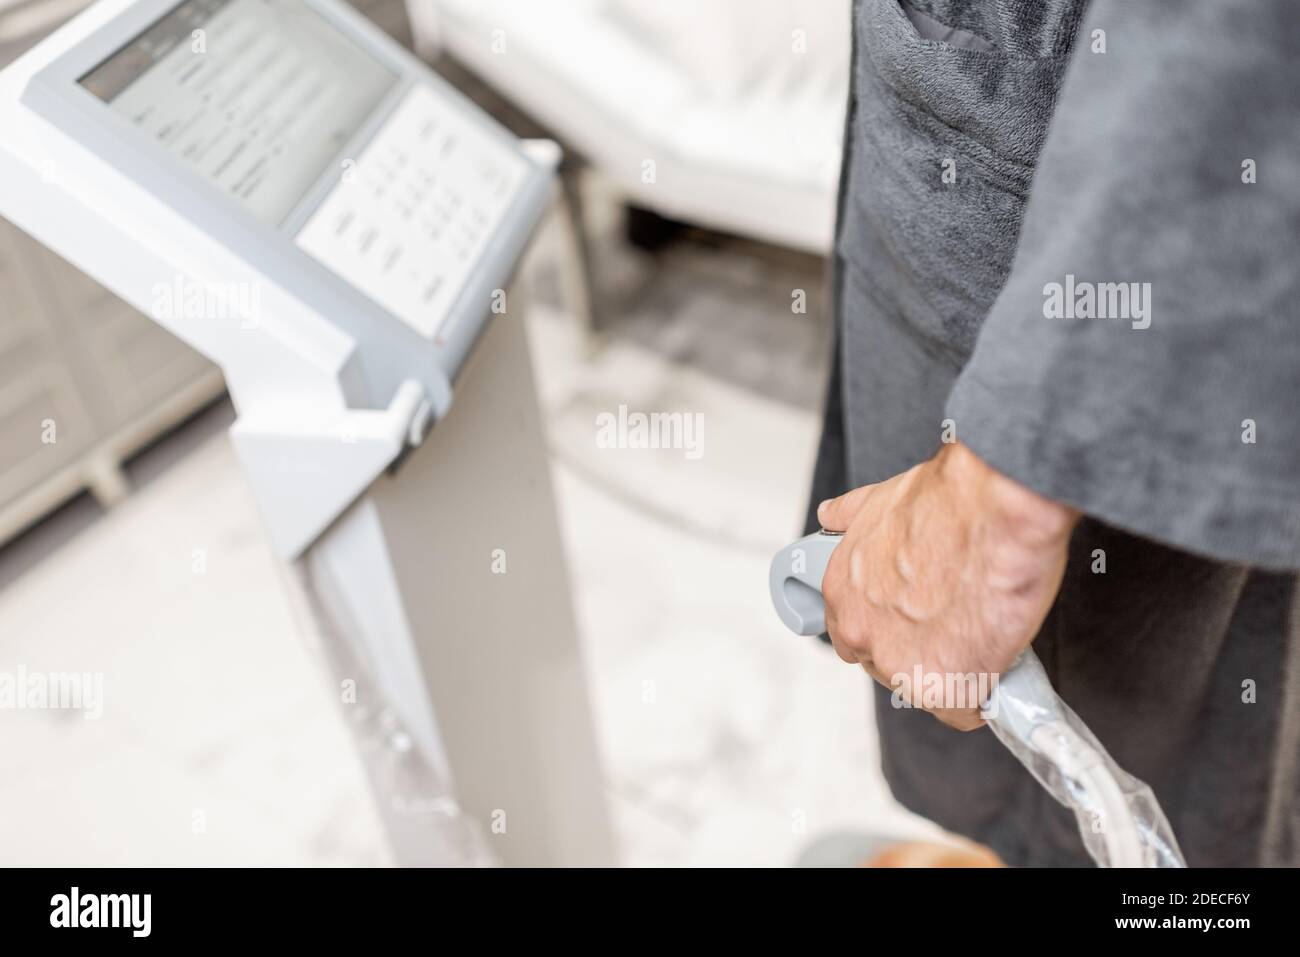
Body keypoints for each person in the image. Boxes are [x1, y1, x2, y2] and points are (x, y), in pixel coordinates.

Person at [807, 0, 1299, 867]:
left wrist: (1000, 489)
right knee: (998, 778)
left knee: (1155, 791)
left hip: (1091, 272)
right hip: (964, 135)